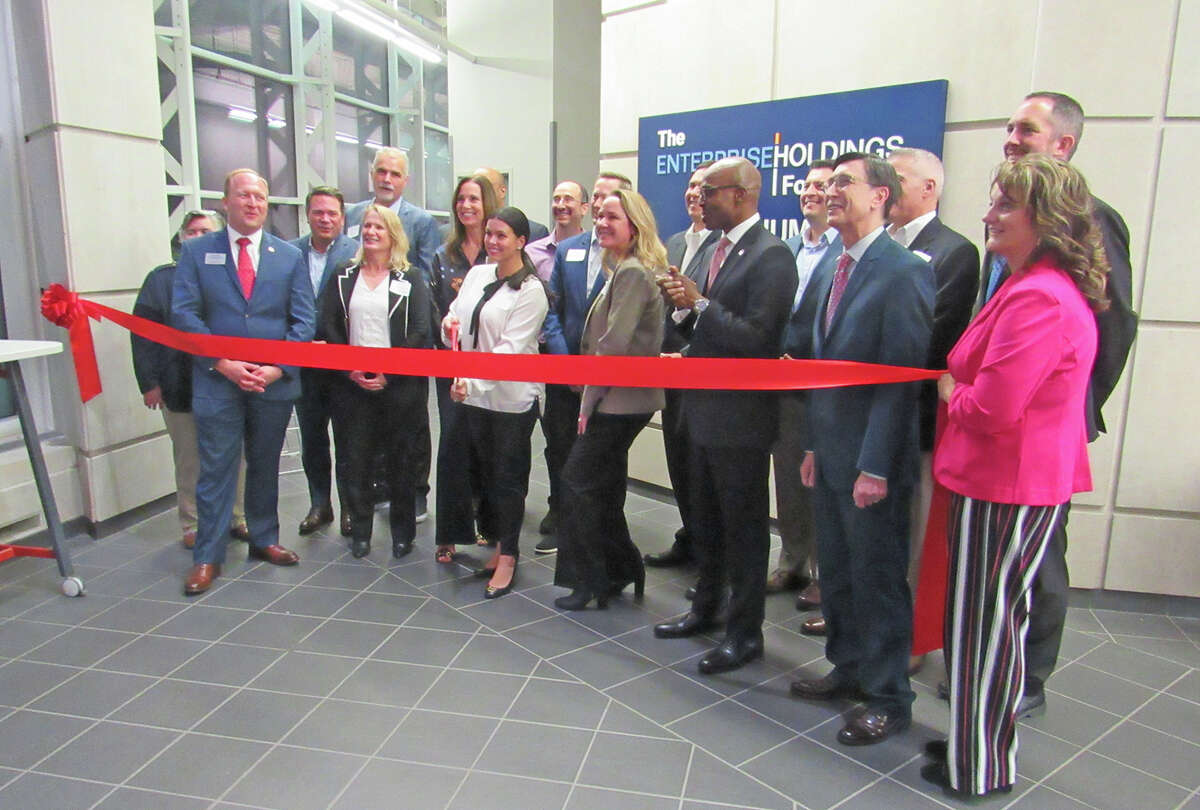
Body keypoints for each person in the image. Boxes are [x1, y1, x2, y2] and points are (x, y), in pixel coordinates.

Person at [922, 154, 1106, 799]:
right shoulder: (1036, 284)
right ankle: (975, 742)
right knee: (985, 627)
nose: (988, 215)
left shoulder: (1038, 297)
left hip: (1007, 483)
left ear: (1045, 218)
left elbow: (993, 408)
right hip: (1012, 481)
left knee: (984, 632)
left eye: (1004, 204)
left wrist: (950, 389)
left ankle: (979, 769)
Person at [973, 92, 1137, 719]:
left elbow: (1113, 323)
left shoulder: (1092, 219)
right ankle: (992, 667)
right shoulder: (1012, 225)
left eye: (1028, 129)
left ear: (1064, 146)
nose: (1012, 135)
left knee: (1036, 560)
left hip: (1038, 432)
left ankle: (1028, 676)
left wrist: (1075, 410)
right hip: (998, 427)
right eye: (1010, 125)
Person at [789, 152, 933, 746]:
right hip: (830, 451)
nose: (831, 191)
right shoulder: (831, 265)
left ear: (880, 196)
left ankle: (887, 695)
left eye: (845, 182)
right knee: (839, 574)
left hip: (872, 461)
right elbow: (818, 366)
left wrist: (874, 465)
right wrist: (814, 447)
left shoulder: (903, 271)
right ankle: (847, 668)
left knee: (876, 579)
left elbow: (899, 383)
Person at [655, 156, 796, 675]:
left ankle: (745, 634)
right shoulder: (714, 248)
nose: (700, 200)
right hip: (700, 409)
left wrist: (701, 305)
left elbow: (760, 342)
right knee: (706, 522)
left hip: (740, 421)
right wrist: (685, 313)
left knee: (744, 531)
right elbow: (707, 333)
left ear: (739, 194)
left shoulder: (773, 256)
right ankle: (705, 609)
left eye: (710, 191)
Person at [171, 169, 315, 595]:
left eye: (259, 197)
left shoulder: (288, 255)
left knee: (265, 463)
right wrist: (224, 362)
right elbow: (184, 315)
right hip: (218, 381)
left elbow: (303, 321)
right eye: (243, 196)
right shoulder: (198, 253)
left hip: (272, 381)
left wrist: (275, 368)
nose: (252, 203)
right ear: (225, 202)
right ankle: (207, 556)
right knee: (216, 468)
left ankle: (264, 537)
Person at [885, 147, 979, 669]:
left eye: (899, 180)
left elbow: (933, 334)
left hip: (917, 414)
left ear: (929, 188)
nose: (890, 189)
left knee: (915, 531)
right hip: (873, 413)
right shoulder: (880, 245)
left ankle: (911, 640)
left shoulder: (953, 251)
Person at [552, 189, 666, 610]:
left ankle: (594, 578)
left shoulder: (633, 272)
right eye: (598, 217)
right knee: (602, 485)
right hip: (620, 400)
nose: (601, 223)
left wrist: (586, 403)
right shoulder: (625, 269)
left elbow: (613, 346)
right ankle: (621, 567)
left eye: (611, 217)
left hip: (620, 402)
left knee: (577, 481)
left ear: (634, 225)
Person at [440, 207, 549, 599]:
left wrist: (470, 384)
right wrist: (448, 326)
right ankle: (498, 544)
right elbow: (455, 315)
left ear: (521, 242)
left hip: (510, 400)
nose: (492, 241)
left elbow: (510, 351)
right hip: (474, 396)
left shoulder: (531, 291)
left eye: (502, 235)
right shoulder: (478, 274)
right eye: (489, 234)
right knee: (485, 476)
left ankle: (509, 556)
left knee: (508, 480)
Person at [317, 205, 431, 559]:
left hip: (399, 388)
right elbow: (330, 326)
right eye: (366, 226)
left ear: (393, 234)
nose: (371, 232)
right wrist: (350, 370)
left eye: (379, 227)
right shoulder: (342, 274)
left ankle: (402, 533)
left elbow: (420, 332)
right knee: (356, 459)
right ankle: (361, 532)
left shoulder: (409, 278)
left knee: (401, 460)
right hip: (352, 387)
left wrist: (388, 373)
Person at [131, 210, 249, 549]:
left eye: (206, 231)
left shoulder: (233, 276)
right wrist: (149, 382)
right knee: (190, 458)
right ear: (182, 238)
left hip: (227, 382)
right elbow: (143, 336)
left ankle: (237, 517)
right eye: (192, 231)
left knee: (235, 456)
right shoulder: (161, 280)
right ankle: (192, 523)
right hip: (179, 385)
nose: (198, 237)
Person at [344, 147, 441, 523]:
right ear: (372, 174)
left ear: (406, 180)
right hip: (362, 332)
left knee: (411, 426)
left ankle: (415, 492)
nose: (386, 179)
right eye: (381, 171)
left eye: (394, 174)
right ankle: (378, 490)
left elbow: (428, 277)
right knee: (367, 429)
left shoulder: (421, 221)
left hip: (404, 339)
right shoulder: (354, 215)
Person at [538, 172, 634, 552]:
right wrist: (566, 364)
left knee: (604, 458)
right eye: (595, 197)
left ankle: (603, 532)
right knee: (560, 446)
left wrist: (593, 372)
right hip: (565, 373)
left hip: (608, 381)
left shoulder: (632, 258)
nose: (599, 205)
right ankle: (564, 518)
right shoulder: (569, 249)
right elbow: (552, 310)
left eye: (608, 198)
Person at [769, 160, 837, 618]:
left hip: (825, 385)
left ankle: (822, 573)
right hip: (782, 382)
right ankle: (791, 559)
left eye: (822, 185)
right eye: (807, 184)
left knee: (824, 483)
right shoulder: (787, 248)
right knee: (789, 477)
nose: (811, 191)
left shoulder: (844, 253)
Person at [643, 162, 718, 571]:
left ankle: (708, 547)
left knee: (700, 464)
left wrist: (686, 305)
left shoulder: (722, 245)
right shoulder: (672, 242)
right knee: (677, 457)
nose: (694, 194)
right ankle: (689, 535)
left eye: (704, 187)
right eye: (690, 186)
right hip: (667, 364)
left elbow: (709, 306)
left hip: (700, 364)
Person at [430, 174, 498, 562]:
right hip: (451, 364)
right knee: (454, 443)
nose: (466, 206)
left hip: (493, 369)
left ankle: (489, 525)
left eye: (474, 198)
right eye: (461, 200)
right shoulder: (444, 255)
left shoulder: (500, 252)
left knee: (487, 444)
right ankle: (451, 532)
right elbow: (437, 306)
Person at [291, 187, 358, 537]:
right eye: (318, 212)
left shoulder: (357, 252)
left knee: (348, 440)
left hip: (343, 366)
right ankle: (320, 504)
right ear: (308, 215)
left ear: (342, 216)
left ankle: (349, 507)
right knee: (312, 438)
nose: (325, 219)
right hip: (304, 366)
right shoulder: (290, 252)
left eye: (332, 213)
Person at [525, 180, 587, 282]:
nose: (561, 206)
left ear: (584, 208)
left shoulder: (593, 251)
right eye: (556, 199)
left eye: (568, 199)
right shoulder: (531, 253)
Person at [474, 167, 551, 241]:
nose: (478, 193)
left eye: (485, 187)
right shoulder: (467, 233)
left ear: (502, 191)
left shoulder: (535, 233)